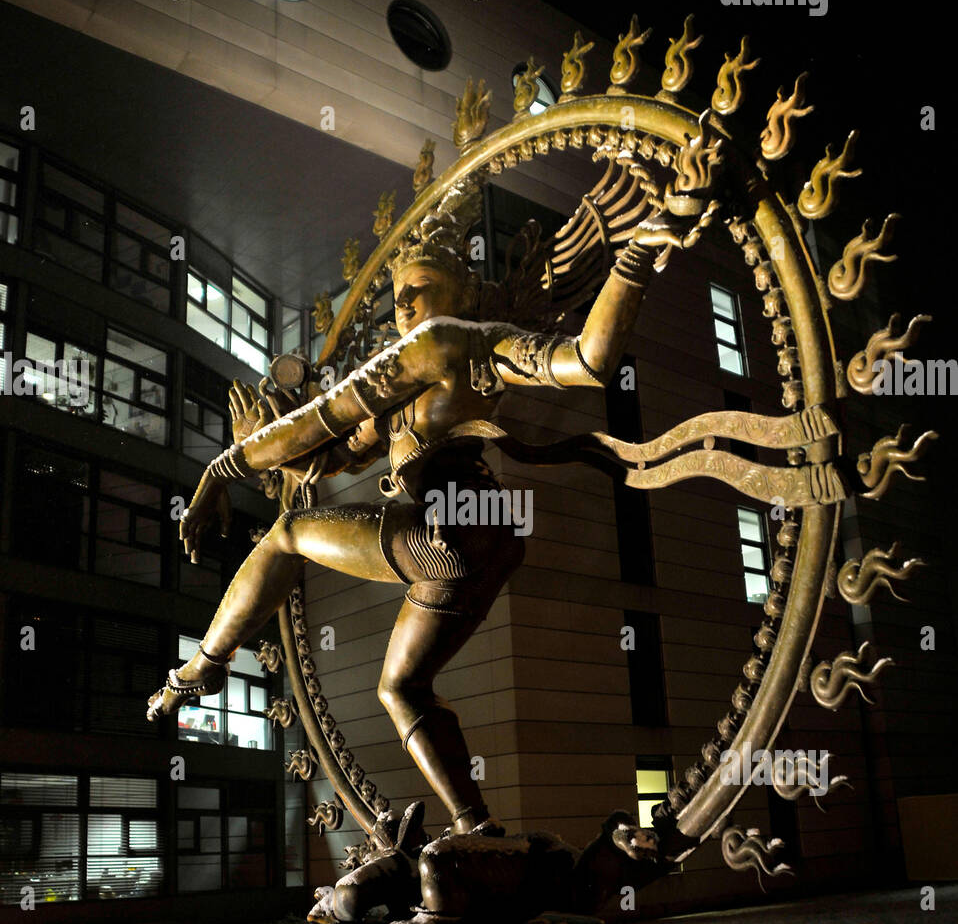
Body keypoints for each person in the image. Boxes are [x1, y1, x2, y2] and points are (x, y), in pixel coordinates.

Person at [147, 196, 713, 837]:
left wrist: (222, 469)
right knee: (402, 688)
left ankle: (203, 668)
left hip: (450, 527)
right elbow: (327, 453)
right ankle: (477, 828)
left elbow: (318, 422)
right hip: (485, 534)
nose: (405, 307)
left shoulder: (442, 342)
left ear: (466, 290)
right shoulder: (454, 361)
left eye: (420, 288)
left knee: (287, 534)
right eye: (397, 299)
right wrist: (272, 444)